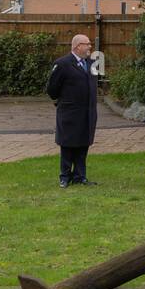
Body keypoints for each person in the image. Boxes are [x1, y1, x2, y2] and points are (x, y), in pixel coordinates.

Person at [46, 33, 98, 187]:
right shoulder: (62, 64)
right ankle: (65, 176)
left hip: (87, 112)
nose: (90, 47)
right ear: (77, 46)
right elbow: (52, 88)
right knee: (68, 144)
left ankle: (80, 176)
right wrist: (62, 103)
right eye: (87, 44)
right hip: (70, 112)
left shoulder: (93, 63)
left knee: (83, 144)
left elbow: (94, 85)